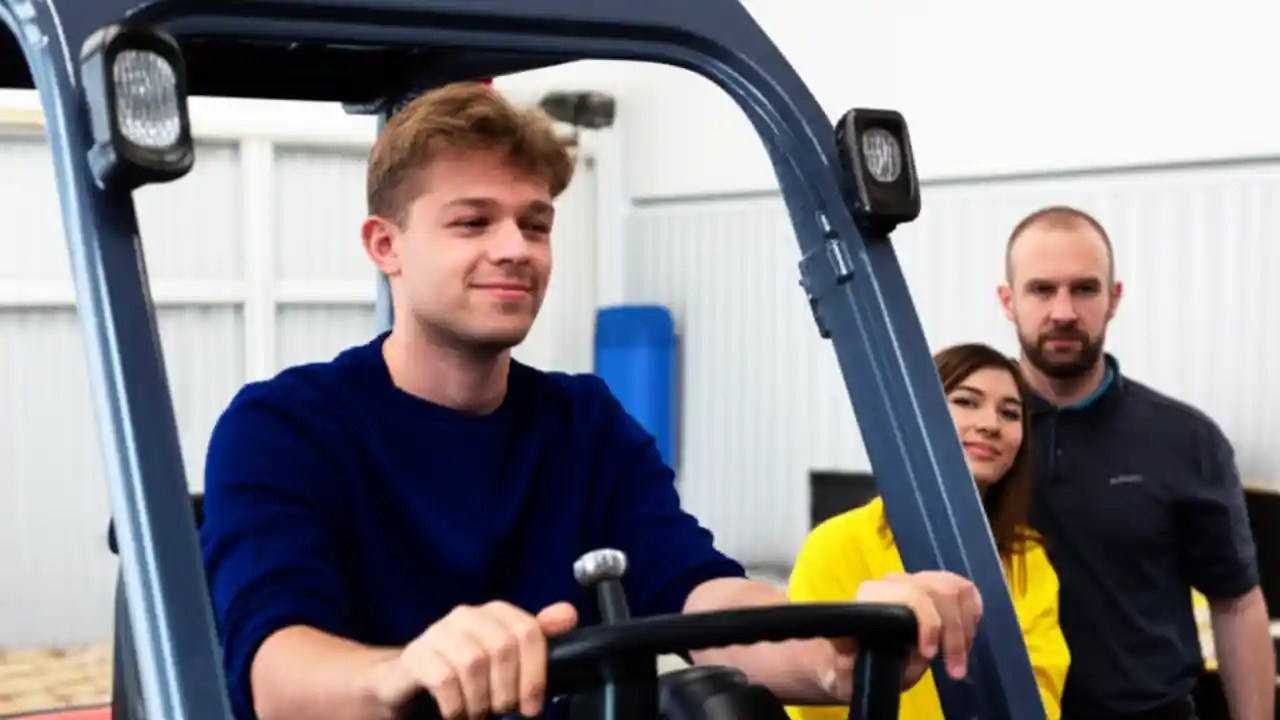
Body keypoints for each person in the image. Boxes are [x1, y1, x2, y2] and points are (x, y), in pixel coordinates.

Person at [198, 81, 986, 720]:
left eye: (534, 224)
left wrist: (837, 649)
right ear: (386, 245)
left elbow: (698, 593)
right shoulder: (285, 428)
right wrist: (404, 672)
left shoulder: (584, 424)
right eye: (472, 222)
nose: (514, 248)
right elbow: (278, 674)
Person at [997, 205, 1275, 720]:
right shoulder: (958, 441)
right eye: (1042, 289)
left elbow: (1236, 602)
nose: (1063, 311)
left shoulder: (1186, 440)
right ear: (1008, 301)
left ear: (1114, 298)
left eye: (1084, 289)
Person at [784, 342, 1070, 720]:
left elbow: (1041, 688)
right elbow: (813, 699)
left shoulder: (1026, 557)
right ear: (919, 412)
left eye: (1009, 413)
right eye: (966, 401)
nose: (990, 424)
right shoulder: (836, 544)